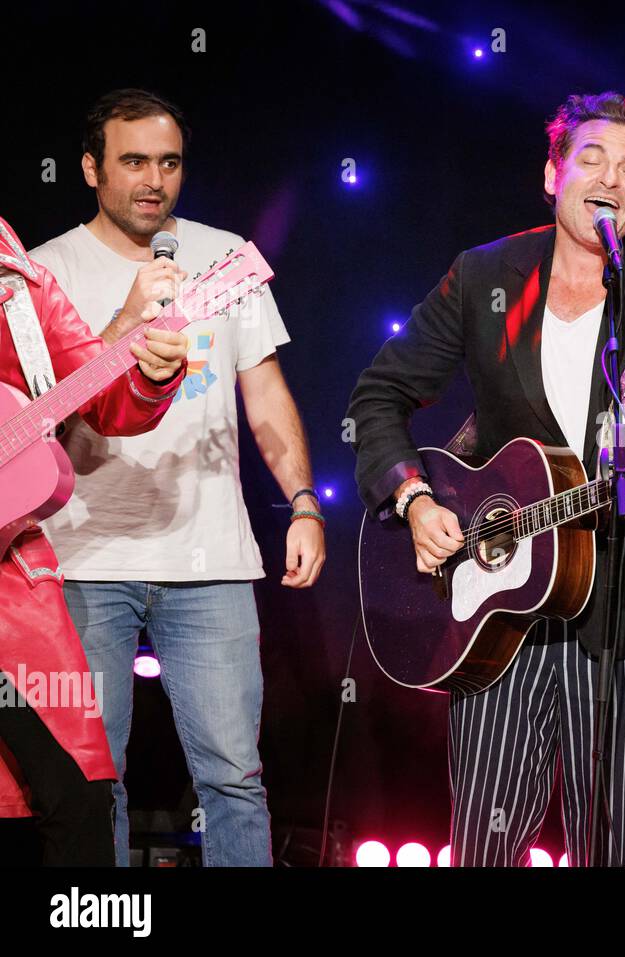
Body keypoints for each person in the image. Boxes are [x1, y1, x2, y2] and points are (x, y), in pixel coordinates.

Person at [347, 91, 625, 867]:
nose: (611, 179)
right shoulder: (484, 273)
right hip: (497, 623)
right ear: (552, 175)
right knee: (484, 846)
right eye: (590, 159)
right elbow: (378, 397)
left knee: (621, 849)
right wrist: (414, 497)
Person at [30, 89, 325, 867]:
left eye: (168, 162)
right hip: (85, 560)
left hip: (211, 564)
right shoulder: (44, 270)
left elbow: (263, 392)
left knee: (234, 775)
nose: (152, 180)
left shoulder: (226, 258)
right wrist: (126, 323)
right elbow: (38, 426)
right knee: (97, 779)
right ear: (91, 168)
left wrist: (303, 502)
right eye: (132, 161)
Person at [0, 214, 188, 865]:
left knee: (79, 795)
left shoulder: (18, 280)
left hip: (12, 595)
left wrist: (150, 372)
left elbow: (98, 392)